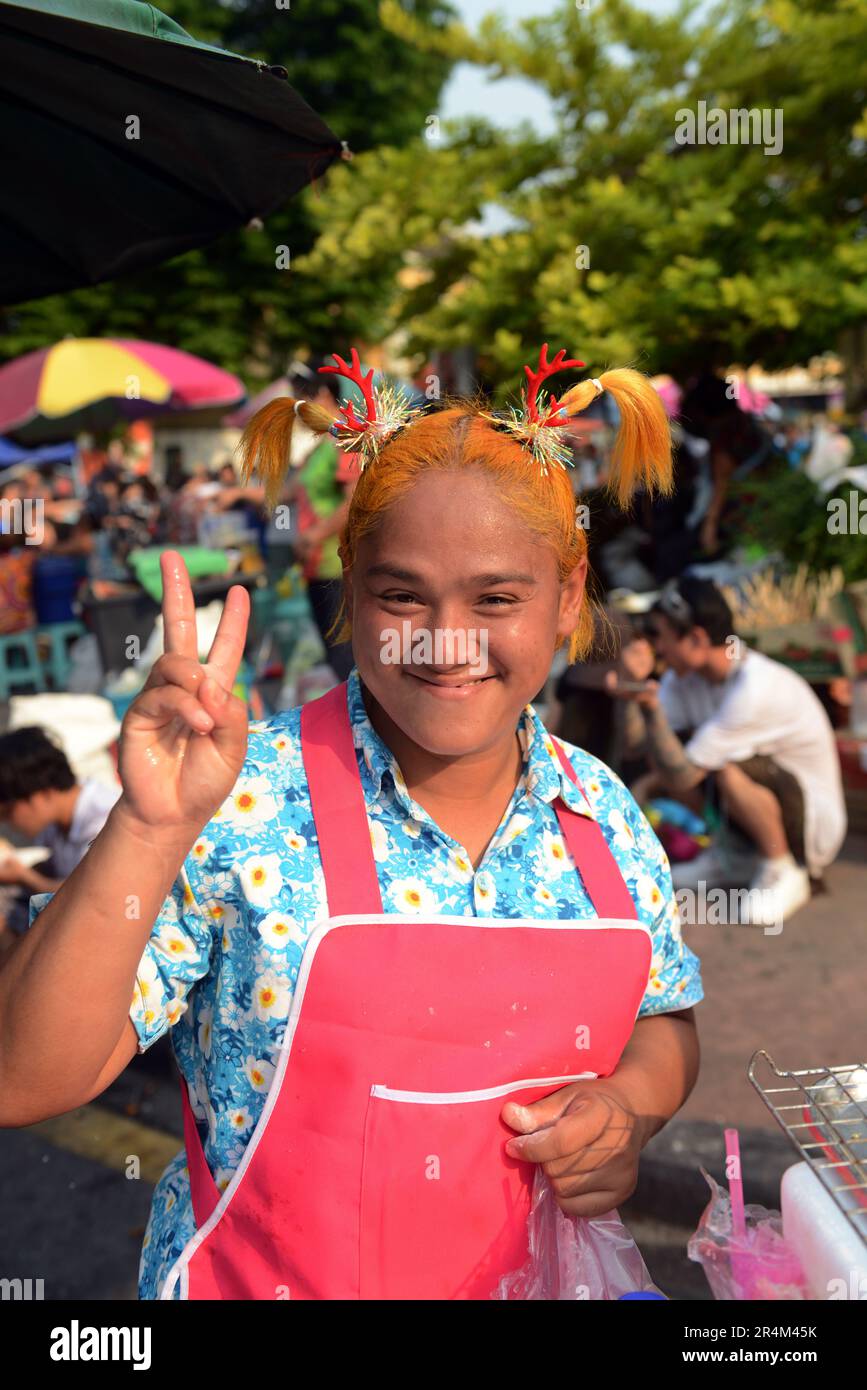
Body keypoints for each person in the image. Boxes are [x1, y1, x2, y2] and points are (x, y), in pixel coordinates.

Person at [0, 349, 701, 1301]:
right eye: (401, 595)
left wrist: (627, 1107)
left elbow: (662, 1018)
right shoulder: (238, 804)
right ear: (350, 588)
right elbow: (24, 1080)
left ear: (569, 594)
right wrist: (148, 827)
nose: (445, 640)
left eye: (495, 599)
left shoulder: (602, 814)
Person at [611, 576, 847, 924]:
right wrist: (632, 686)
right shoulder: (683, 679)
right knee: (668, 755)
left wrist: (647, 782)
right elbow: (637, 748)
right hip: (763, 801)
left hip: (813, 825)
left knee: (720, 766)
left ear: (696, 638)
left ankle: (784, 869)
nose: (655, 647)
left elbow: (685, 775)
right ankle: (733, 857)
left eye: (659, 635)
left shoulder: (756, 687)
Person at [0, 727, 121, 951]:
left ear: (41, 793)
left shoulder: (106, 822)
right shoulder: (58, 821)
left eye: (7, 813)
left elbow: (91, 894)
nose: (8, 823)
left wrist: (24, 876)